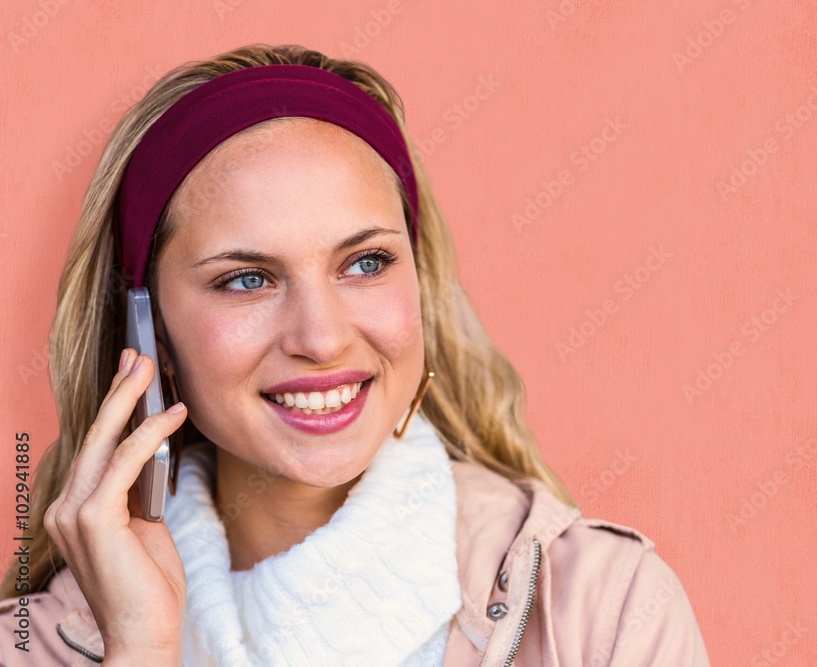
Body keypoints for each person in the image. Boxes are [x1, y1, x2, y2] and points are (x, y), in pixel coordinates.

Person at [0, 43, 710, 666]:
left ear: (422, 287)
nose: (322, 337)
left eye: (366, 263)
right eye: (247, 279)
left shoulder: (605, 613)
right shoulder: (28, 648)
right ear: (149, 333)